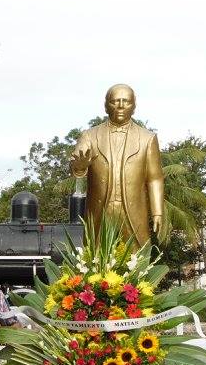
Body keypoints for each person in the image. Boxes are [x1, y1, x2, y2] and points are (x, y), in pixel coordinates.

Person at [70, 83, 165, 245]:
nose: (121, 106)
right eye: (115, 101)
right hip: (101, 211)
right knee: (95, 262)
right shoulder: (90, 136)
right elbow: (76, 164)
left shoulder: (147, 138)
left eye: (126, 101)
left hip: (133, 211)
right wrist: (79, 166)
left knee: (138, 260)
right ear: (106, 105)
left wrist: (157, 212)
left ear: (134, 106)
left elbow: (154, 178)